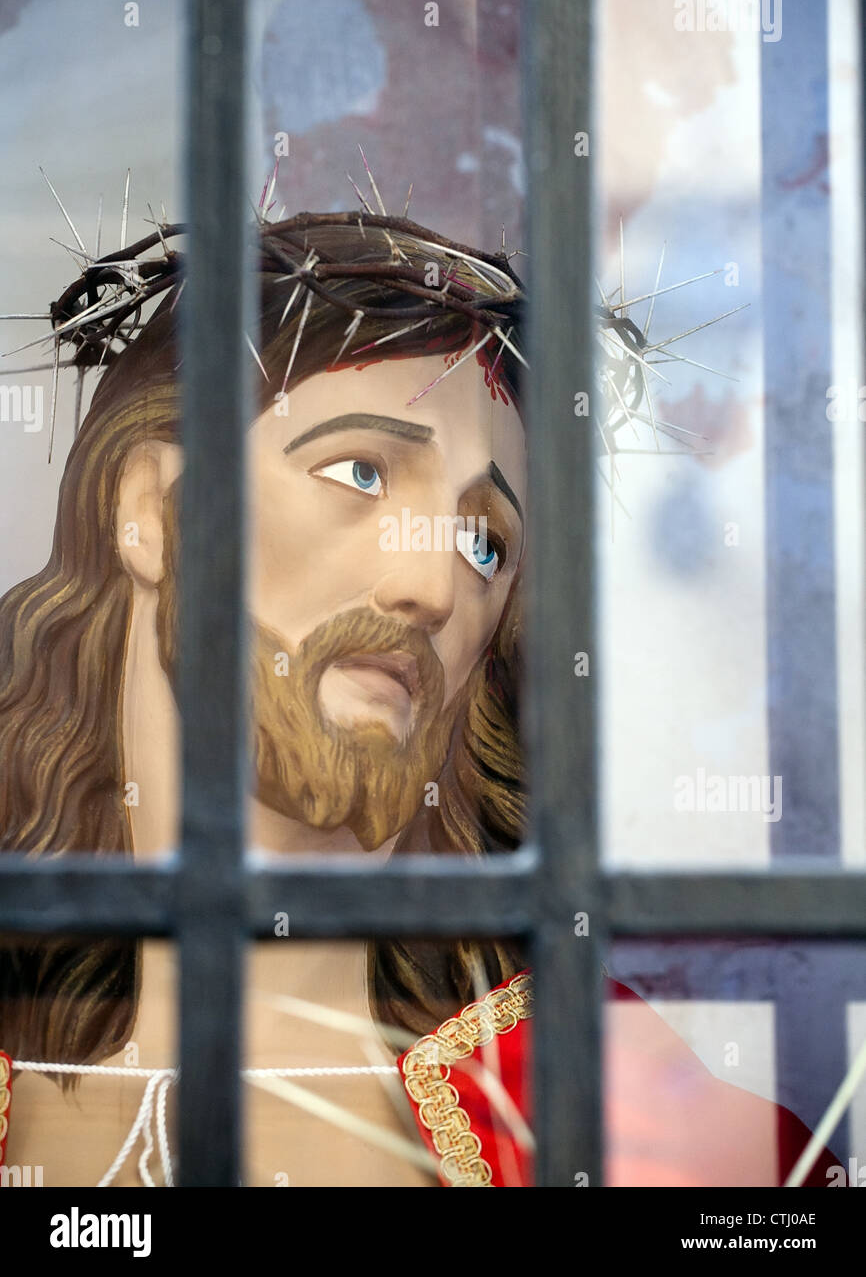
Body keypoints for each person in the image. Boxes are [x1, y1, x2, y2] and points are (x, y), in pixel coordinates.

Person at [0, 210, 842, 1187]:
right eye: (360, 471)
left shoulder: (647, 1133)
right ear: (148, 508)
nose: (432, 586)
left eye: (484, 542)